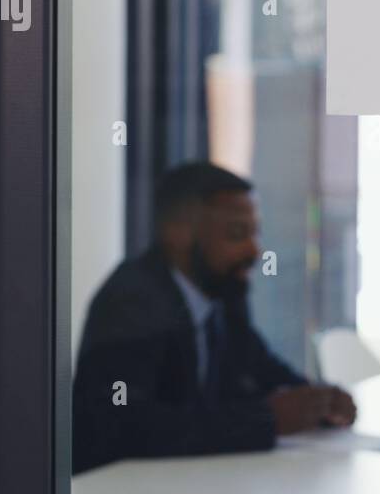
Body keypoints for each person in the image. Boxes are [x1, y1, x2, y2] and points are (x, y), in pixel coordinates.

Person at [72, 162, 356, 474]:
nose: (254, 250)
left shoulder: (221, 291)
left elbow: (261, 369)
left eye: (255, 233)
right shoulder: (132, 301)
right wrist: (265, 419)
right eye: (237, 233)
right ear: (177, 233)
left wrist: (320, 403)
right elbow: (125, 423)